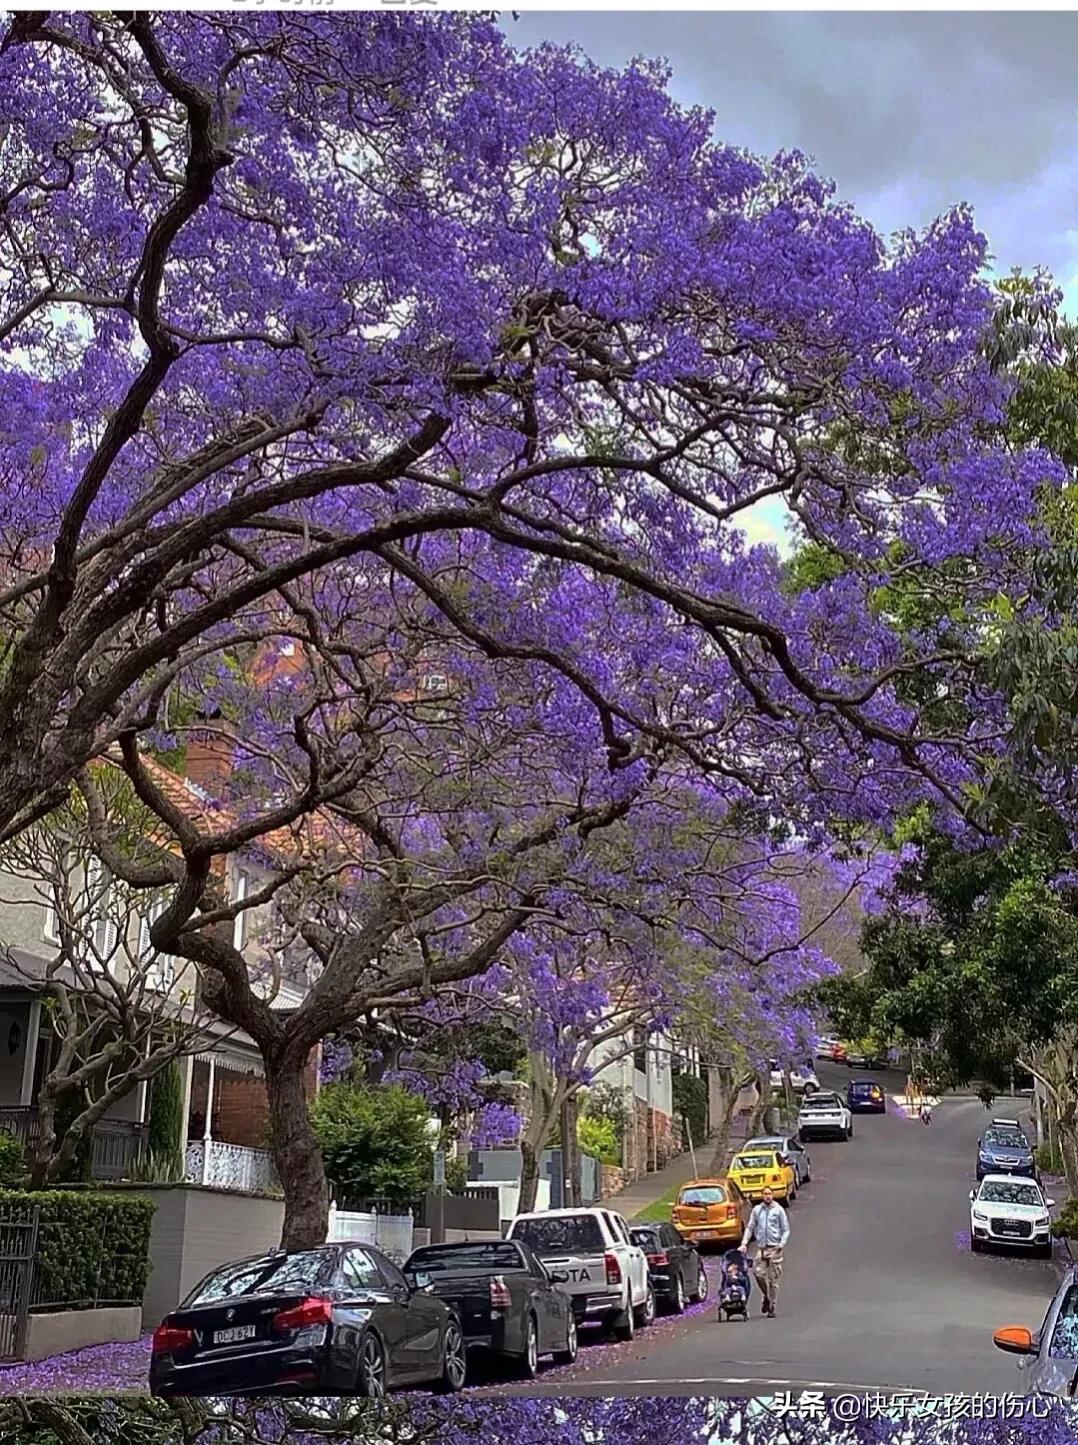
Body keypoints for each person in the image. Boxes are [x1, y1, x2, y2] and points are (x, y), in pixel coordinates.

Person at [740, 1185, 790, 1318]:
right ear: (762, 1195)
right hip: (762, 1248)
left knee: (773, 1279)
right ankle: (767, 1296)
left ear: (772, 1195)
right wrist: (744, 1243)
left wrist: (781, 1244)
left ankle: (772, 1304)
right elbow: (750, 1227)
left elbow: (785, 1229)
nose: (767, 1196)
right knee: (758, 1273)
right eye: (765, 1194)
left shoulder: (778, 1210)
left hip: (775, 1249)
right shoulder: (757, 1210)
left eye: (769, 1194)